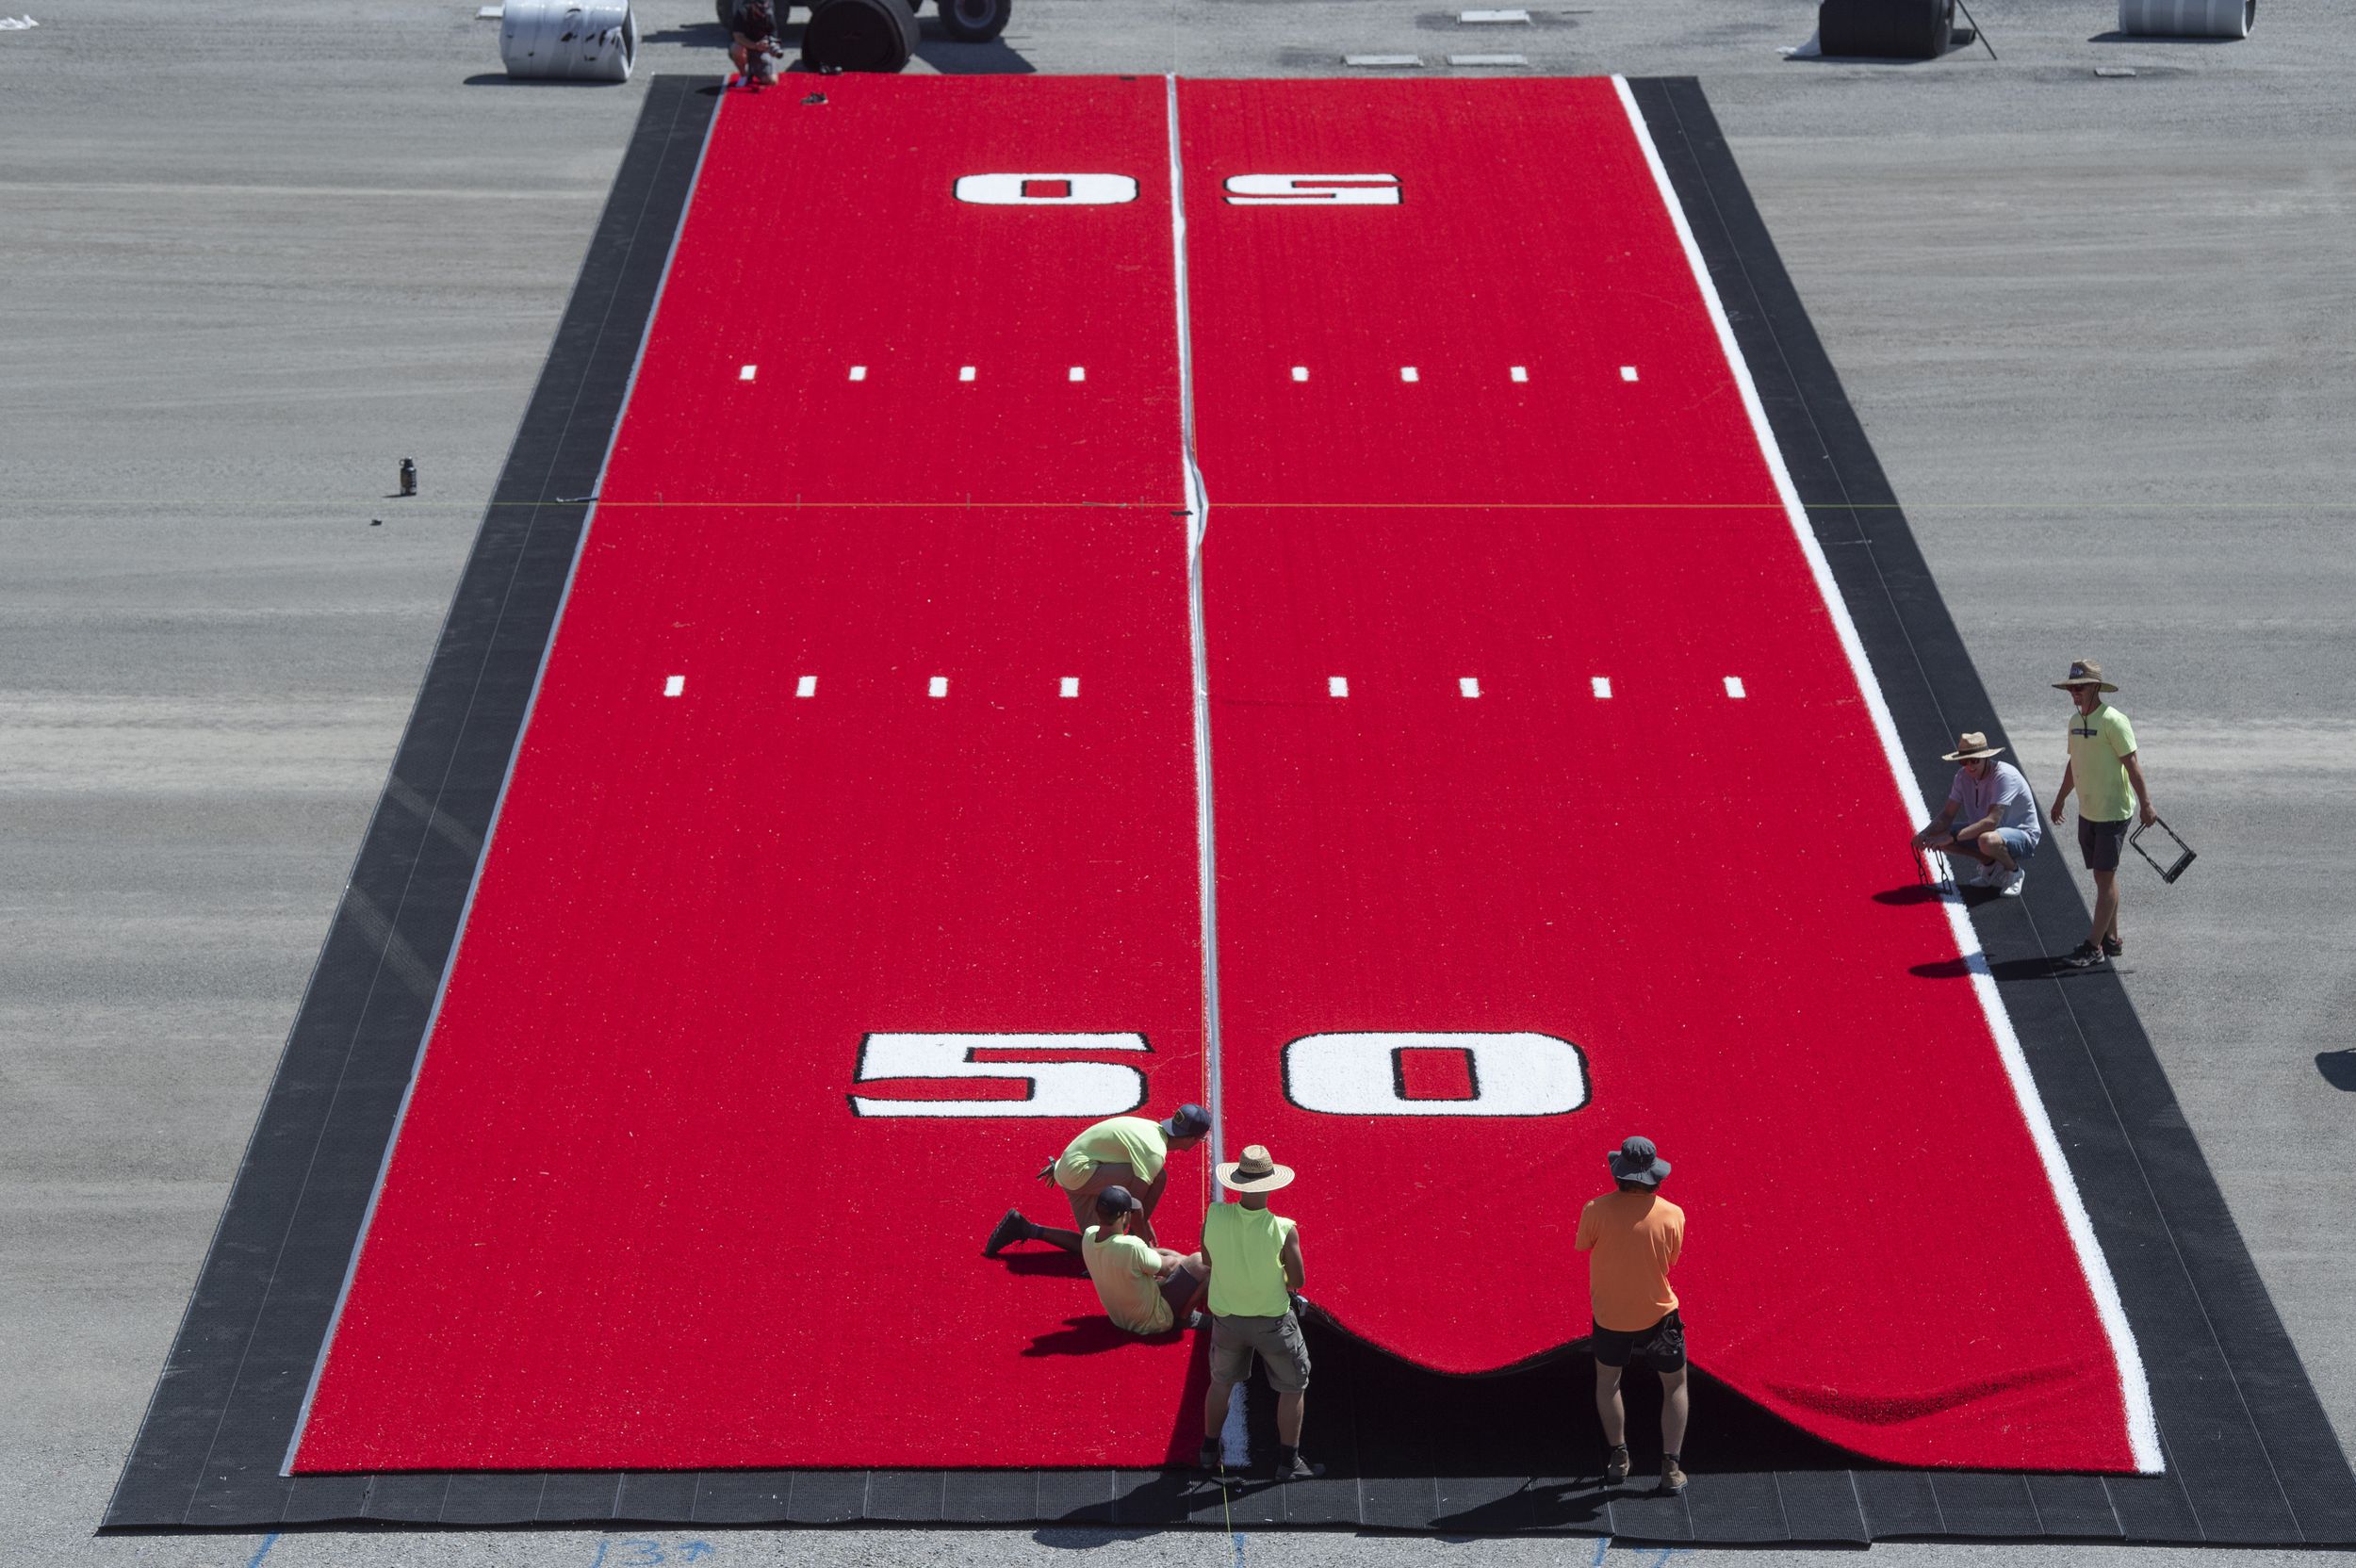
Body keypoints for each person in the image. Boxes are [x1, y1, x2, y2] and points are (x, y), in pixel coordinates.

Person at [1576, 1135, 1688, 1495]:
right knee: (1675, 1385)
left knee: (1608, 1382)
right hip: (1659, 1314)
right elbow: (1671, 1261)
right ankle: (1671, 1467)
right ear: (1655, 1175)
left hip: (1610, 1315)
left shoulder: (1595, 1208)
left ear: (1619, 1173)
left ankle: (1619, 1458)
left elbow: (1585, 1245)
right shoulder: (1672, 1214)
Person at [1199, 1145, 1316, 1479]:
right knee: (1292, 1387)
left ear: (1238, 1182)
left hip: (1227, 1320)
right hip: (1272, 1322)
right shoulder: (1283, 1228)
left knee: (1220, 1383)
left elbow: (1207, 1260)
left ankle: (1208, 1451)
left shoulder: (1215, 1216)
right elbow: (1297, 1281)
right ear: (1270, 1184)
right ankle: (1288, 1462)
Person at [982, 1103, 1212, 1257]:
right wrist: (1144, 1245)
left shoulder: (1150, 1128)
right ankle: (1129, 1241)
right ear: (1192, 1138)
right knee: (1158, 1177)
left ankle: (1025, 1228)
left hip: (1070, 1168)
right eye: (1201, 1139)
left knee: (1095, 1246)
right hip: (1080, 1172)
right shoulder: (1155, 1153)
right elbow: (1132, 1204)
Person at [2047, 660, 2155, 968]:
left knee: (2104, 878)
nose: (2074, 694)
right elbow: (2074, 764)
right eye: (2071, 689)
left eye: (2079, 688)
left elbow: (2133, 766)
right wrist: (2060, 799)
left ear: (2095, 687)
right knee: (2102, 877)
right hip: (2088, 811)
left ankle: (2093, 947)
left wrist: (2146, 802)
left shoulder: (2113, 721)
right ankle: (2112, 939)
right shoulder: (2074, 722)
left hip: (2113, 812)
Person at [1913, 730, 2040, 896]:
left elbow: (1991, 822)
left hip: (2023, 836)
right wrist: (1925, 834)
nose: (1970, 766)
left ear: (1986, 757)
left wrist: (1953, 837)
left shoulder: (2004, 776)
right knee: (1939, 836)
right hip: (1987, 833)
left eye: (1974, 760)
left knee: (1986, 839)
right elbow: (1947, 815)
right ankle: (1989, 864)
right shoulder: (1961, 777)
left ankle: (2015, 872)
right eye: (1964, 761)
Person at [1080, 1185, 1208, 1336]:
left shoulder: (1089, 1235)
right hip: (1153, 1320)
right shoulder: (1132, 1247)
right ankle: (1184, 1317)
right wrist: (1185, 1260)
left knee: (1167, 1259)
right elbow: (1171, 1267)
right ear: (1124, 1216)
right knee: (1202, 1262)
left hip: (1120, 1319)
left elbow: (1147, 1254)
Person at [728, 0, 784, 86]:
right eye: (760, 10)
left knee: (772, 81)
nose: (762, 14)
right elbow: (738, 37)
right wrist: (755, 46)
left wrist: (771, 46)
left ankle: (755, 69)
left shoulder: (769, 15)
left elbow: (774, 36)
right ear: (753, 5)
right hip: (746, 46)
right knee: (737, 49)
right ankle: (744, 75)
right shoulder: (742, 13)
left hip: (761, 49)